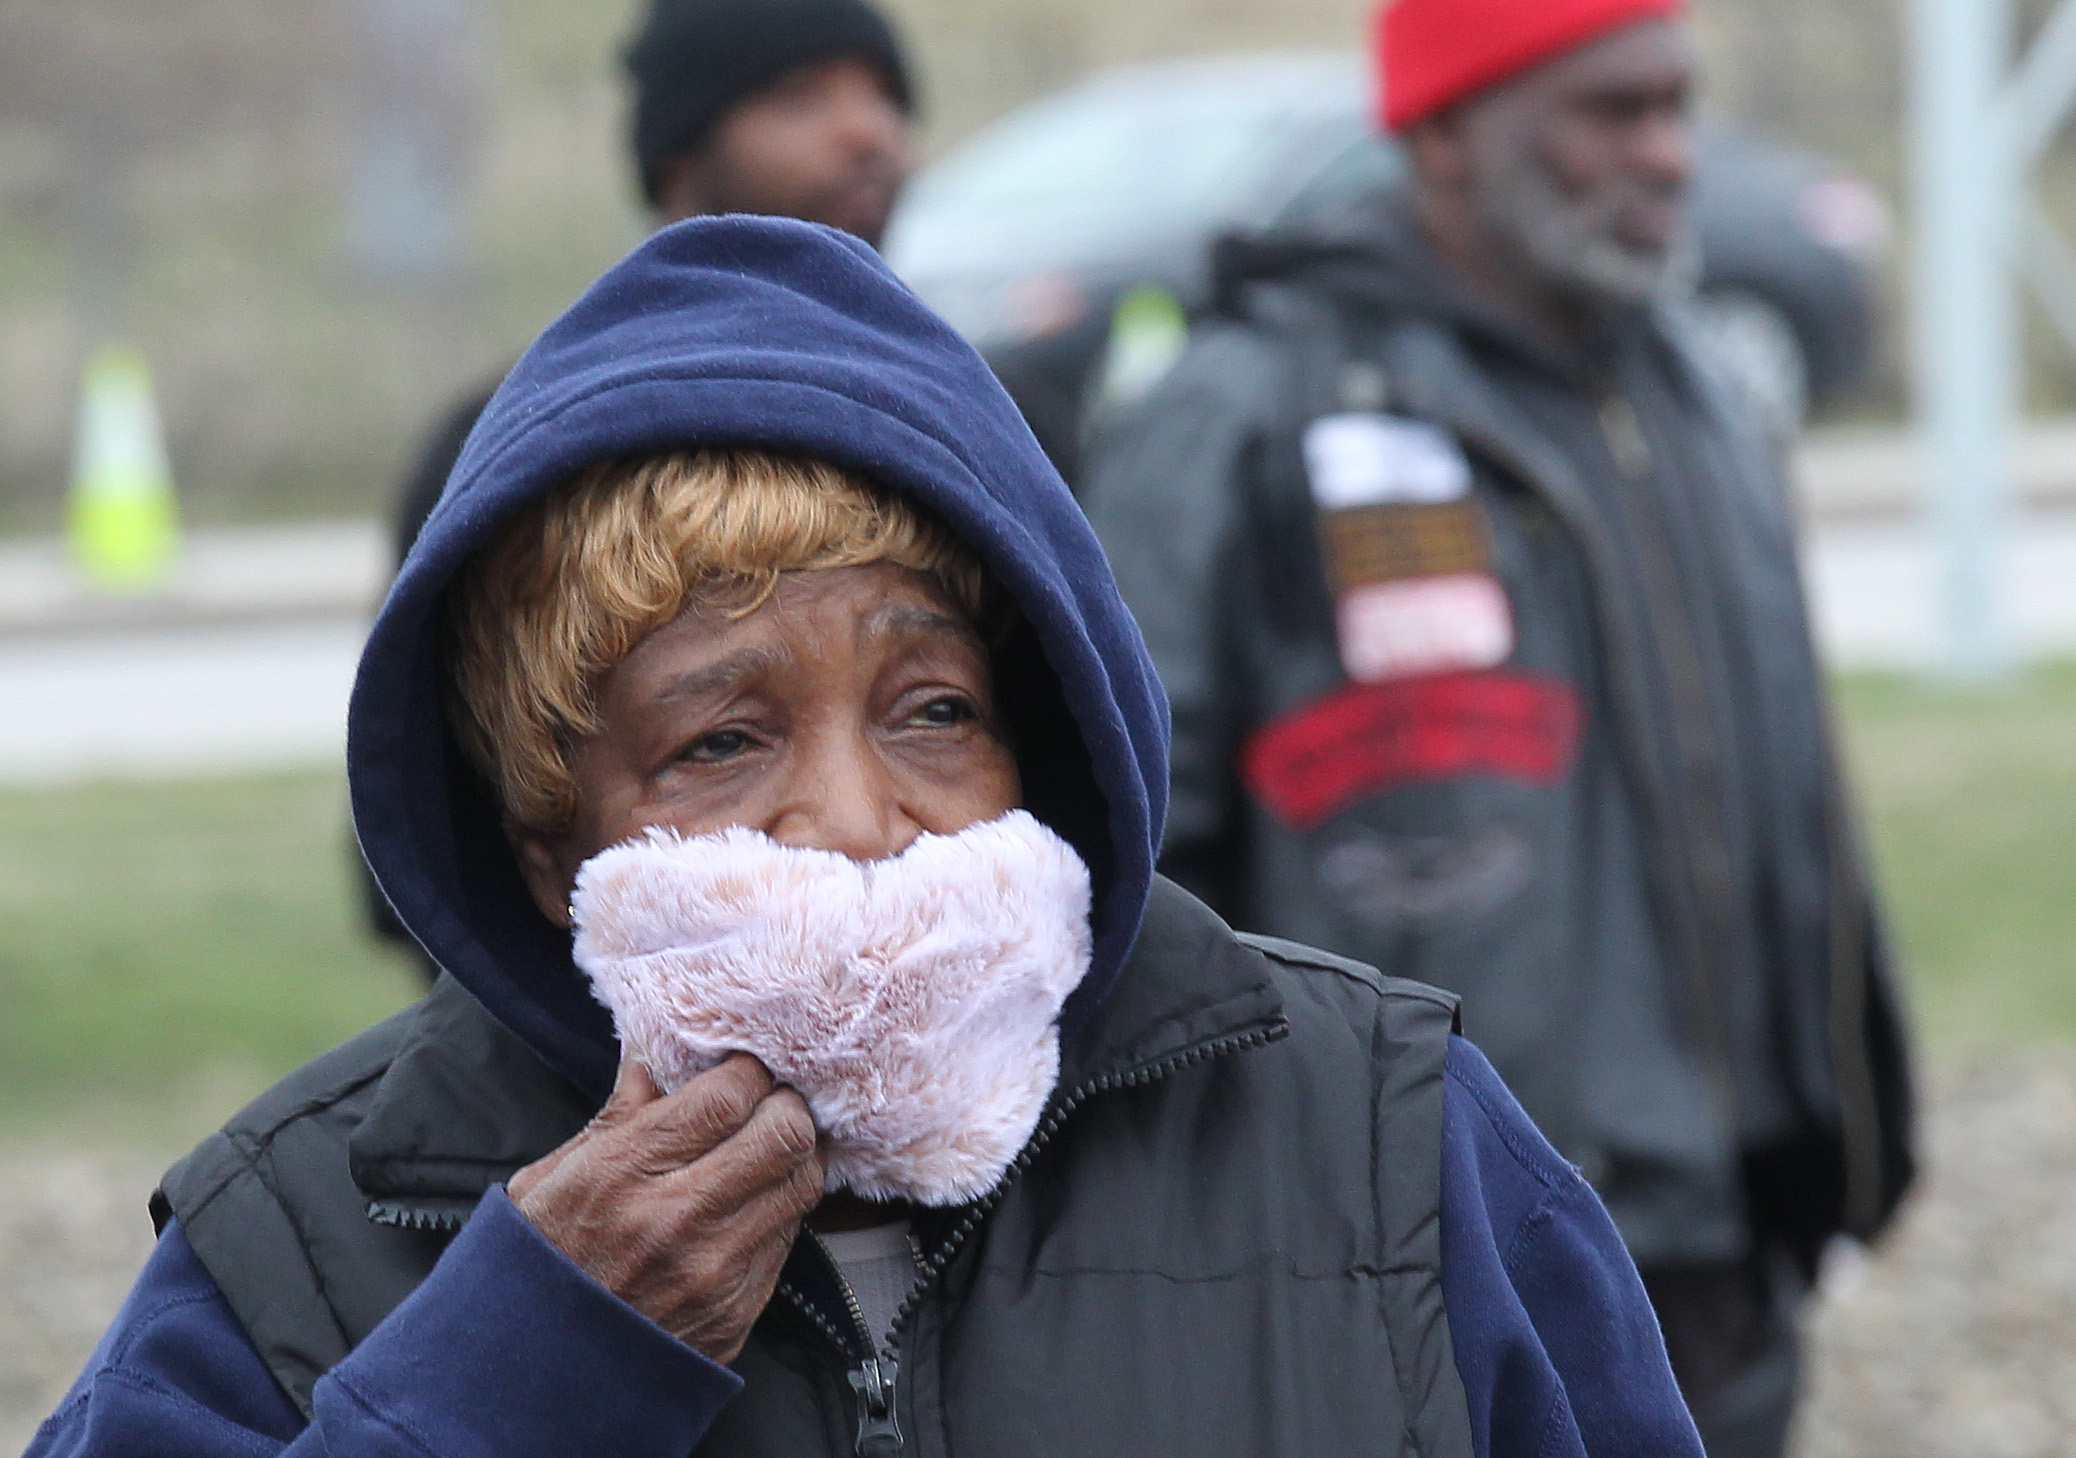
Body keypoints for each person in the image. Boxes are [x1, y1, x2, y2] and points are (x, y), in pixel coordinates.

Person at [30, 217, 1702, 1458]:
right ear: (549, 845)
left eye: (933, 710)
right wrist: (518, 1365)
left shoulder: (1386, 1137)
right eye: (721, 739)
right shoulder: (302, 1243)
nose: (852, 820)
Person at [1081, 2, 1914, 1454]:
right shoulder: (1247, 415)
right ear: (1447, 131)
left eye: (1677, 104)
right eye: (1612, 110)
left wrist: (1852, 1127)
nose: (1671, 153)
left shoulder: (1703, 391)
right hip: (1423, 1278)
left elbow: (1797, 800)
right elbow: (1123, 863)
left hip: (1727, 1263)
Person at [365, 0, 917, 972]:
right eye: (801, 97)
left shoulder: (987, 432)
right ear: (677, 157)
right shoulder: (513, 456)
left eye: (885, 96)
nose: (867, 130)